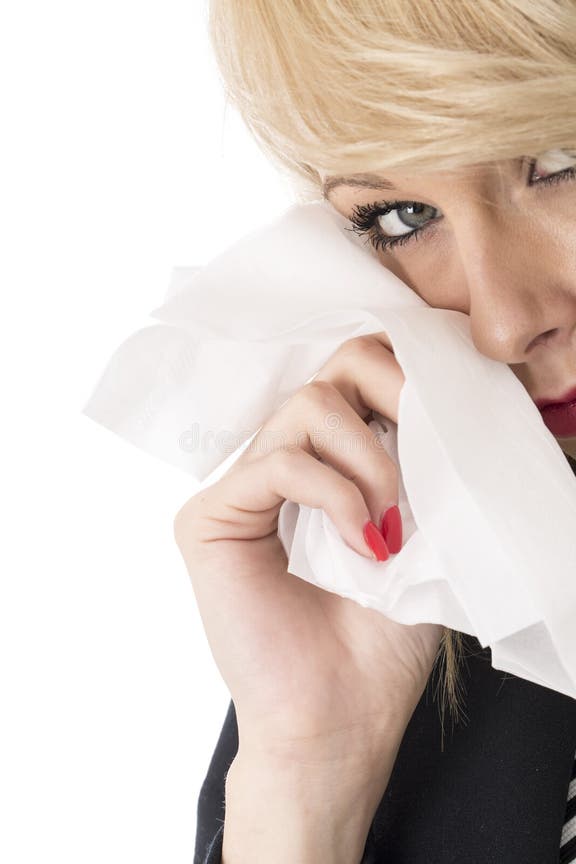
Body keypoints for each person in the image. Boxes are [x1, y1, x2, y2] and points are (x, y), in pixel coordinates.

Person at [174, 2, 576, 861]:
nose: (501, 324)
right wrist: (310, 772)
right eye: (401, 216)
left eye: (561, 160)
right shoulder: (437, 632)